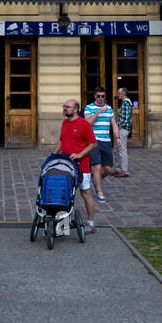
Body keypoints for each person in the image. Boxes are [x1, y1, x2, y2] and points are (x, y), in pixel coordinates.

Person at [59, 99, 98, 232]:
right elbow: (61, 141)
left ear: (75, 109)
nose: (65, 108)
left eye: (67, 107)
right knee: (65, 195)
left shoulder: (84, 124)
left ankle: (90, 223)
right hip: (66, 166)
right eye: (64, 106)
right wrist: (53, 156)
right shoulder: (64, 123)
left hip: (82, 166)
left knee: (85, 193)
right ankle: (64, 225)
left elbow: (93, 143)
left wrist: (80, 154)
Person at [84, 87, 115, 201]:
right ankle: (100, 192)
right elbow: (87, 123)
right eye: (99, 96)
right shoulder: (88, 108)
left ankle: (96, 180)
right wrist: (99, 111)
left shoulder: (110, 108)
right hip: (94, 141)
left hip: (106, 141)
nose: (101, 98)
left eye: (103, 96)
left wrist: (117, 137)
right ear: (95, 96)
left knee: (108, 169)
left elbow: (114, 124)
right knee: (97, 167)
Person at [112, 87, 133, 178]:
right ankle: (117, 169)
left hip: (123, 130)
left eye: (119, 93)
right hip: (121, 129)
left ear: (123, 94)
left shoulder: (126, 103)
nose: (118, 94)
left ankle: (124, 170)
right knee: (116, 150)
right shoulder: (125, 103)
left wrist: (117, 128)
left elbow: (124, 119)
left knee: (122, 150)